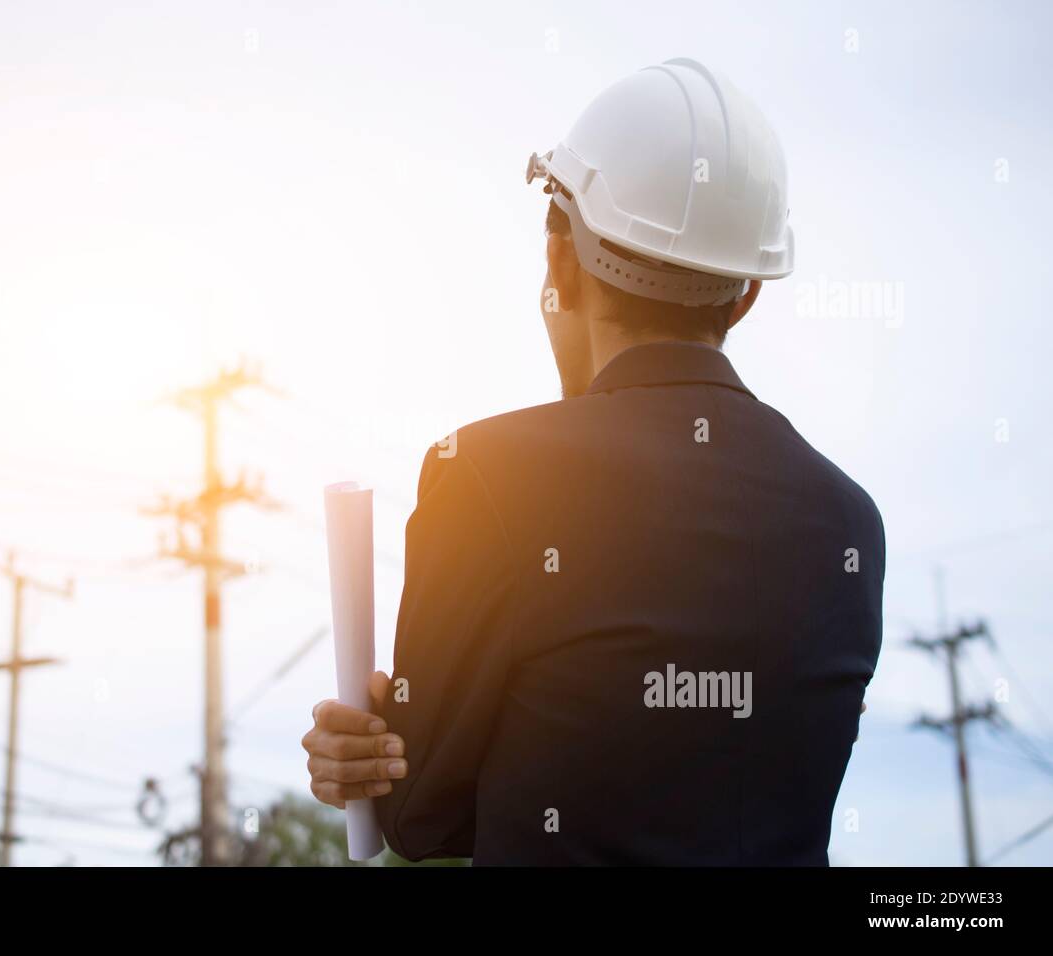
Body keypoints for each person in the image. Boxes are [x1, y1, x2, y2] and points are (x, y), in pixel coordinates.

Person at [301, 58, 883, 865]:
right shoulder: (850, 522)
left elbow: (419, 814)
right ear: (748, 294)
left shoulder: (486, 477)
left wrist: (381, 748)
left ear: (560, 262)